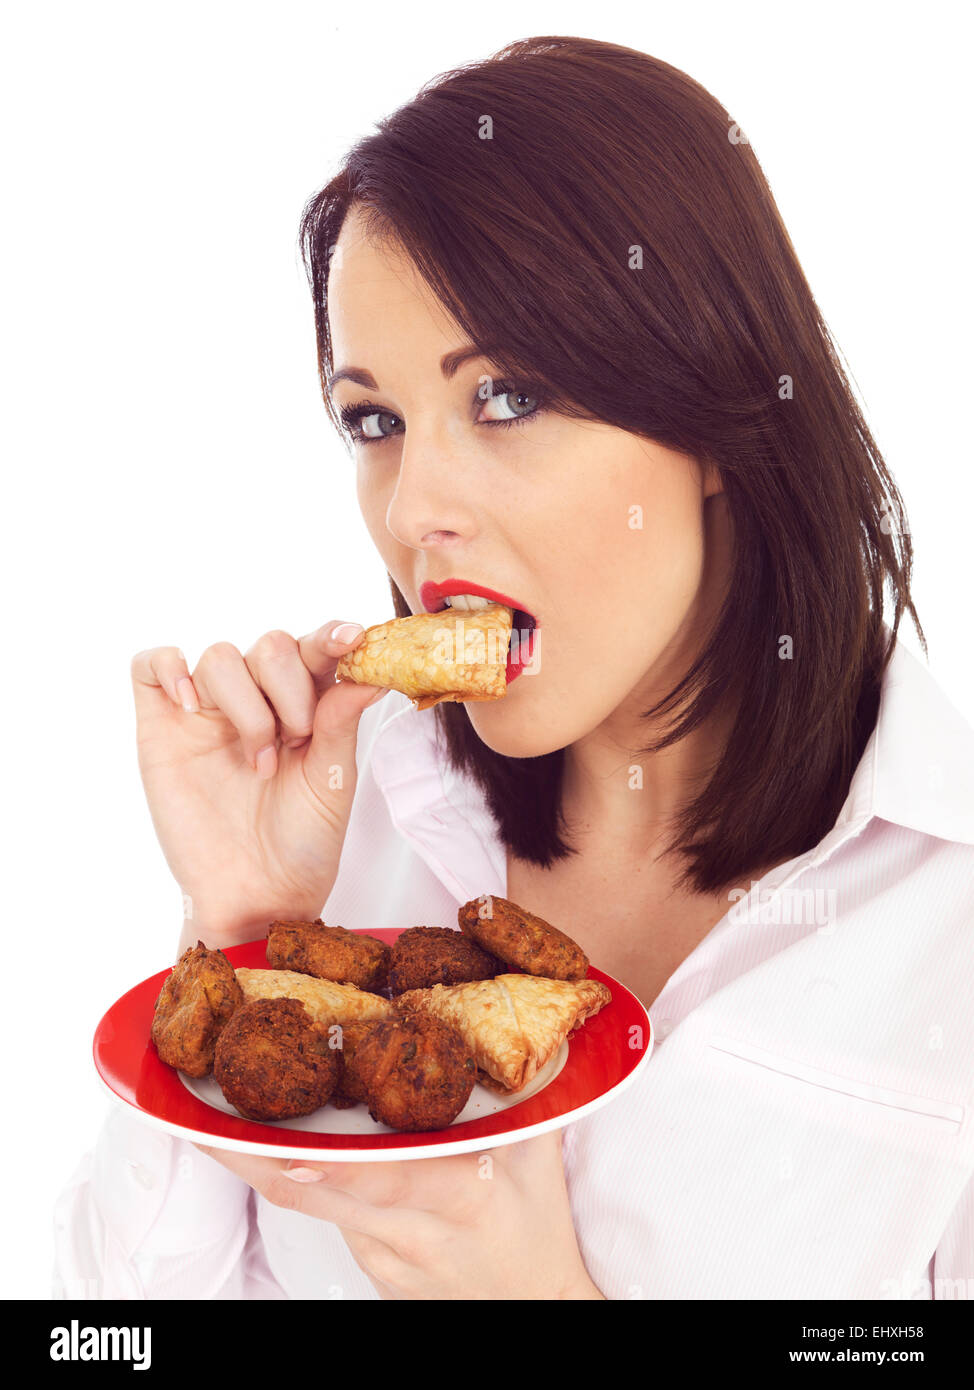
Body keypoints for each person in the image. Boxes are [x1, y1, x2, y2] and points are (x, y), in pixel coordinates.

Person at [54, 34, 974, 1301]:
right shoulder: (354, 818)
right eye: (372, 420)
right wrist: (244, 935)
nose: (413, 508)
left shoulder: (945, 927)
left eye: (502, 399)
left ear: (713, 413)